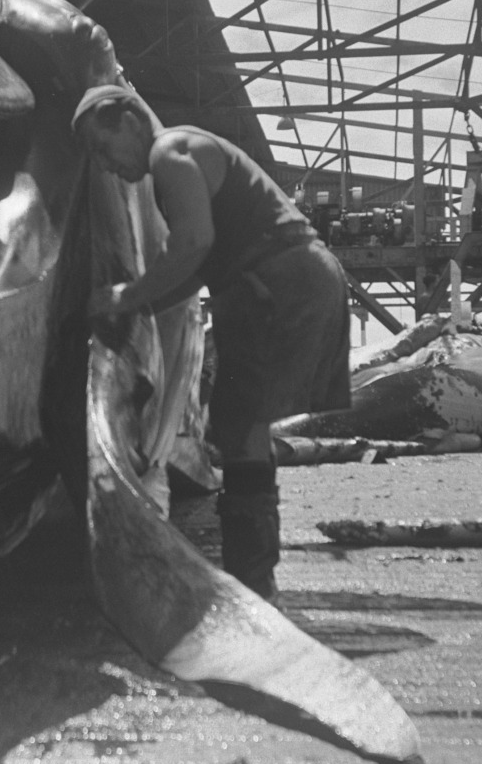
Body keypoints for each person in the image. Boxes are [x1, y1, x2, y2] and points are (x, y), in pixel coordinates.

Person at [73, 85, 351, 602]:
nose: (105, 165)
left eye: (103, 147)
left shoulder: (169, 153)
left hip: (276, 280)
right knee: (243, 426)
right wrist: (135, 309)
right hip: (294, 276)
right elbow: (196, 268)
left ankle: (252, 584)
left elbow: (193, 244)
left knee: (240, 427)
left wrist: (127, 292)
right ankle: (254, 575)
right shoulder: (186, 155)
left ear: (132, 121)